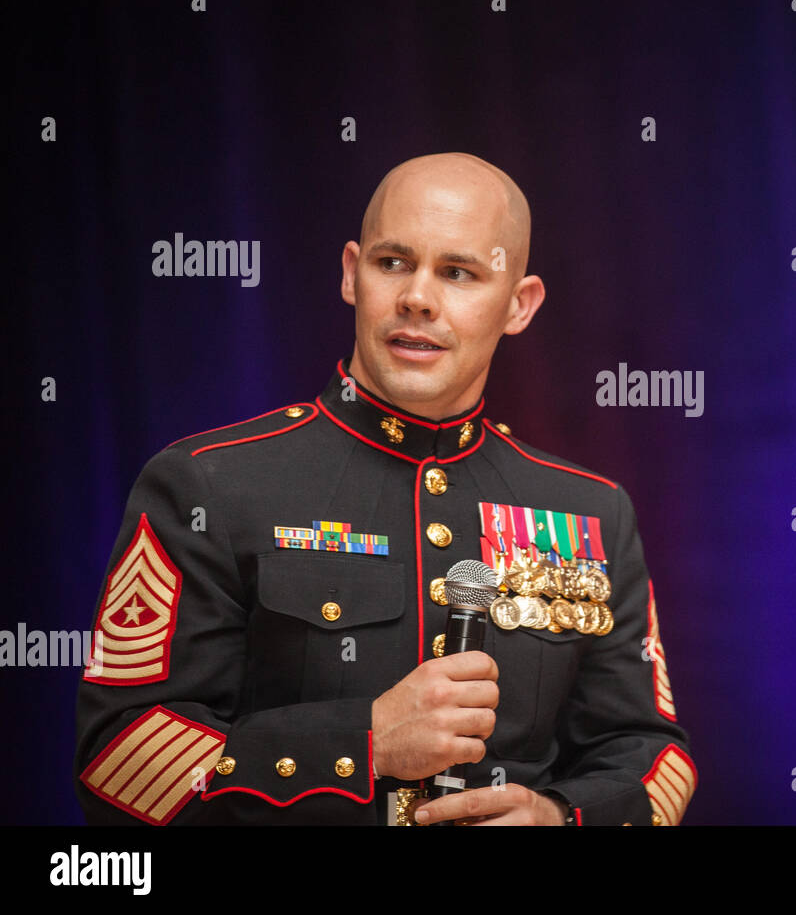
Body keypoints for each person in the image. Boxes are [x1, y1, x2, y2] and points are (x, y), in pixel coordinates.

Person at [74, 153, 696, 826]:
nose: (418, 298)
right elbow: (122, 757)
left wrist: (559, 817)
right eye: (393, 262)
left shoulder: (591, 511)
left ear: (519, 305)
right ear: (351, 273)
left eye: (458, 273)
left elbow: (648, 753)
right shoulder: (211, 484)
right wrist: (363, 742)